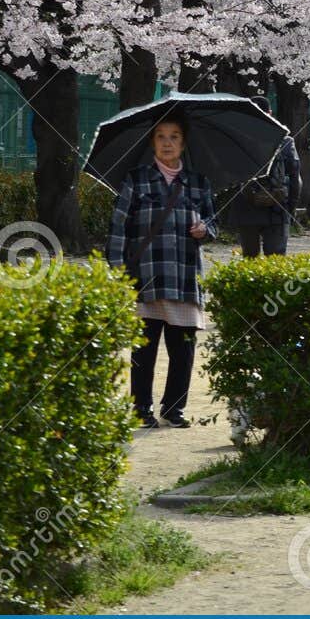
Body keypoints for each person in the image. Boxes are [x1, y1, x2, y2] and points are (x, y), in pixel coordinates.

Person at [107, 114, 220, 430]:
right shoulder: (137, 179)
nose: (167, 142)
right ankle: (140, 408)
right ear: (152, 143)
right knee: (143, 348)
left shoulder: (198, 183)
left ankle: (174, 408)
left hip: (184, 277)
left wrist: (205, 230)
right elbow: (118, 228)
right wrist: (118, 272)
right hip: (146, 276)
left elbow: (214, 223)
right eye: (160, 137)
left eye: (174, 137)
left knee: (183, 349)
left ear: (183, 144)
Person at [227, 98, 302, 257]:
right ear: (270, 114)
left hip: (246, 208)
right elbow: (295, 178)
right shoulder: (286, 141)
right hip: (277, 208)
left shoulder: (238, 141)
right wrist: (290, 208)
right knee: (275, 263)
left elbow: (230, 176)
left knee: (250, 262)